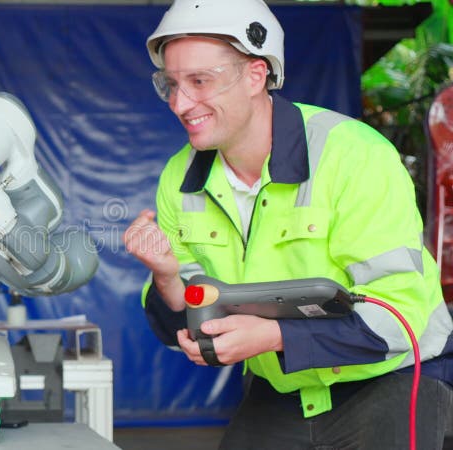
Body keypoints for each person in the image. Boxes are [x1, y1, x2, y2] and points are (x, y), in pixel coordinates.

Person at [122, 0, 453, 448]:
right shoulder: (179, 179)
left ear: (256, 75)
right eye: (171, 84)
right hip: (283, 387)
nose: (181, 103)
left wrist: (273, 336)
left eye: (200, 81)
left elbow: (401, 316)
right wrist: (165, 277)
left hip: (389, 377)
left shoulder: (354, 155)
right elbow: (187, 315)